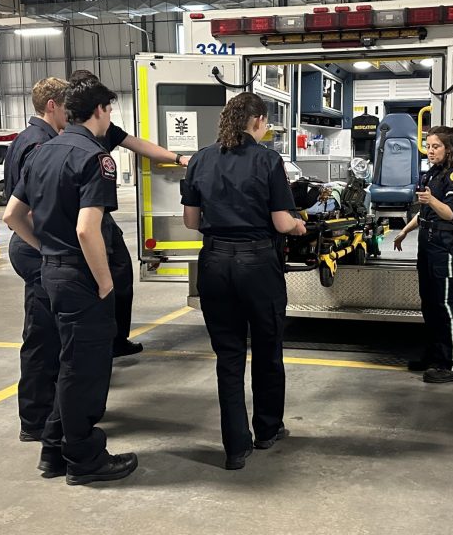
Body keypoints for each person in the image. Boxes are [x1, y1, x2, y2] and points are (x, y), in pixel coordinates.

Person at [4, 78, 138, 485]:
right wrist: (103, 282)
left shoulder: (43, 152)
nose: (110, 115)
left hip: (52, 272)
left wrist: (45, 249)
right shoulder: (96, 158)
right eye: (110, 109)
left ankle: (54, 450)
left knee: (69, 363)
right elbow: (87, 230)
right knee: (89, 370)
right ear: (99, 110)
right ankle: (84, 459)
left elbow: (11, 215)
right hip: (80, 276)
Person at [181, 92, 306, 471]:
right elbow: (283, 223)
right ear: (257, 122)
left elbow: (190, 221)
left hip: (215, 264)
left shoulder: (200, 159)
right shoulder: (268, 160)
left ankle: (236, 447)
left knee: (229, 356)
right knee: (267, 348)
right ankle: (267, 430)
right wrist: (299, 225)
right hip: (257, 264)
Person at [68, 70, 191, 359]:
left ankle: (114, 339)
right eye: (107, 108)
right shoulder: (76, 137)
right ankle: (99, 345)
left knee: (120, 273)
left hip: (98, 216)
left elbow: (137, 144)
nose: (109, 113)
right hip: (83, 218)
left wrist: (177, 157)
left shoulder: (103, 131)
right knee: (100, 281)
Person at [3, 77, 69, 444]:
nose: (68, 113)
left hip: (30, 245)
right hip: (34, 248)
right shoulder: (41, 144)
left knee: (45, 336)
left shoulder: (26, 138)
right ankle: (36, 419)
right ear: (51, 106)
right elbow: (24, 208)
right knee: (43, 339)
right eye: (65, 106)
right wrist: (46, 247)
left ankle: (43, 414)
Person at [393, 126, 453, 384]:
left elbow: (449, 213)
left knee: (446, 306)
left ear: (449, 148)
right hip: (427, 245)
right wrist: (405, 231)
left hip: (444, 247)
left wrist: (430, 201)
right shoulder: (433, 174)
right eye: (428, 145)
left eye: (435, 146)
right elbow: (423, 213)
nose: (430, 150)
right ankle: (436, 356)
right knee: (429, 304)